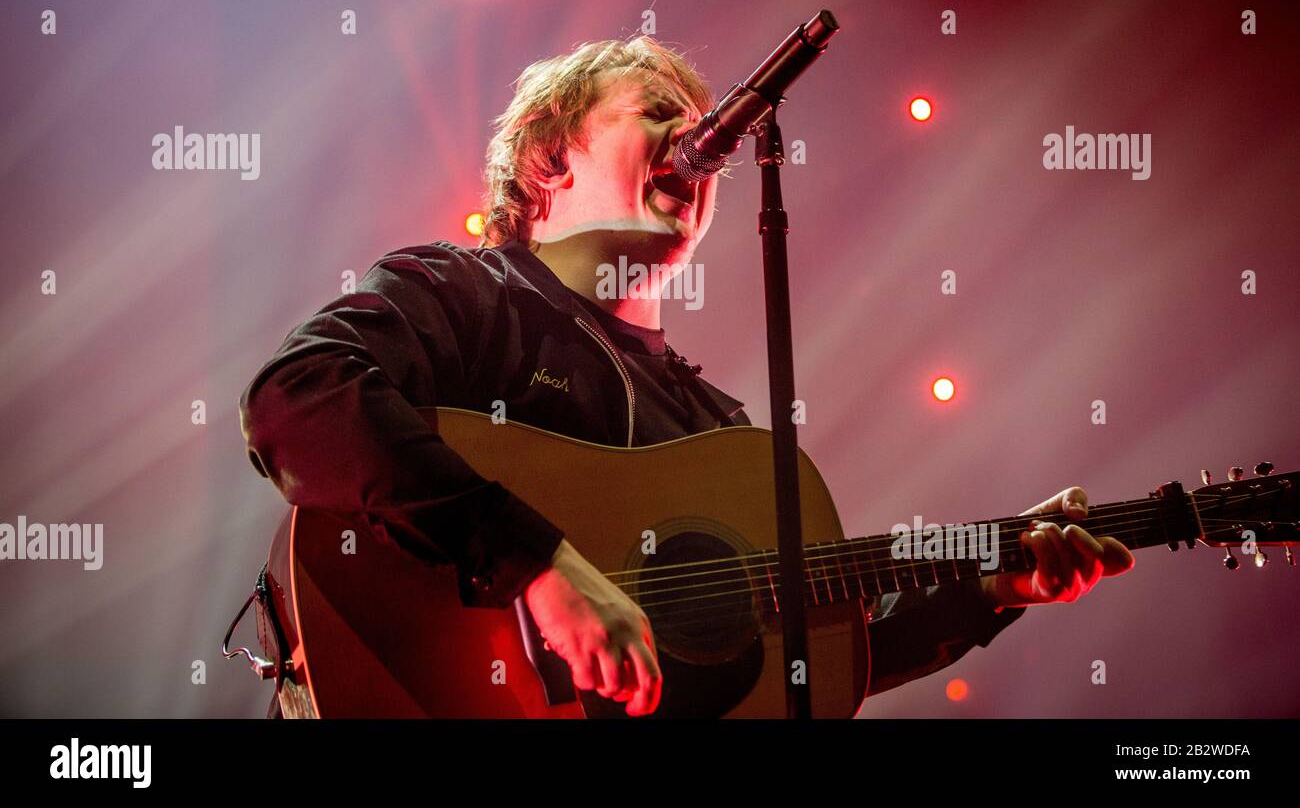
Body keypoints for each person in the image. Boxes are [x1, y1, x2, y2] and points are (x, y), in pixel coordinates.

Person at [238, 36, 1134, 718]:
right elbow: (299, 394)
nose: (698, 143)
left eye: (704, 128)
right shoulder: (466, 295)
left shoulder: (714, 429)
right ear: (552, 158)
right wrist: (538, 566)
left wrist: (987, 585)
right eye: (658, 112)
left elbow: (813, 630)